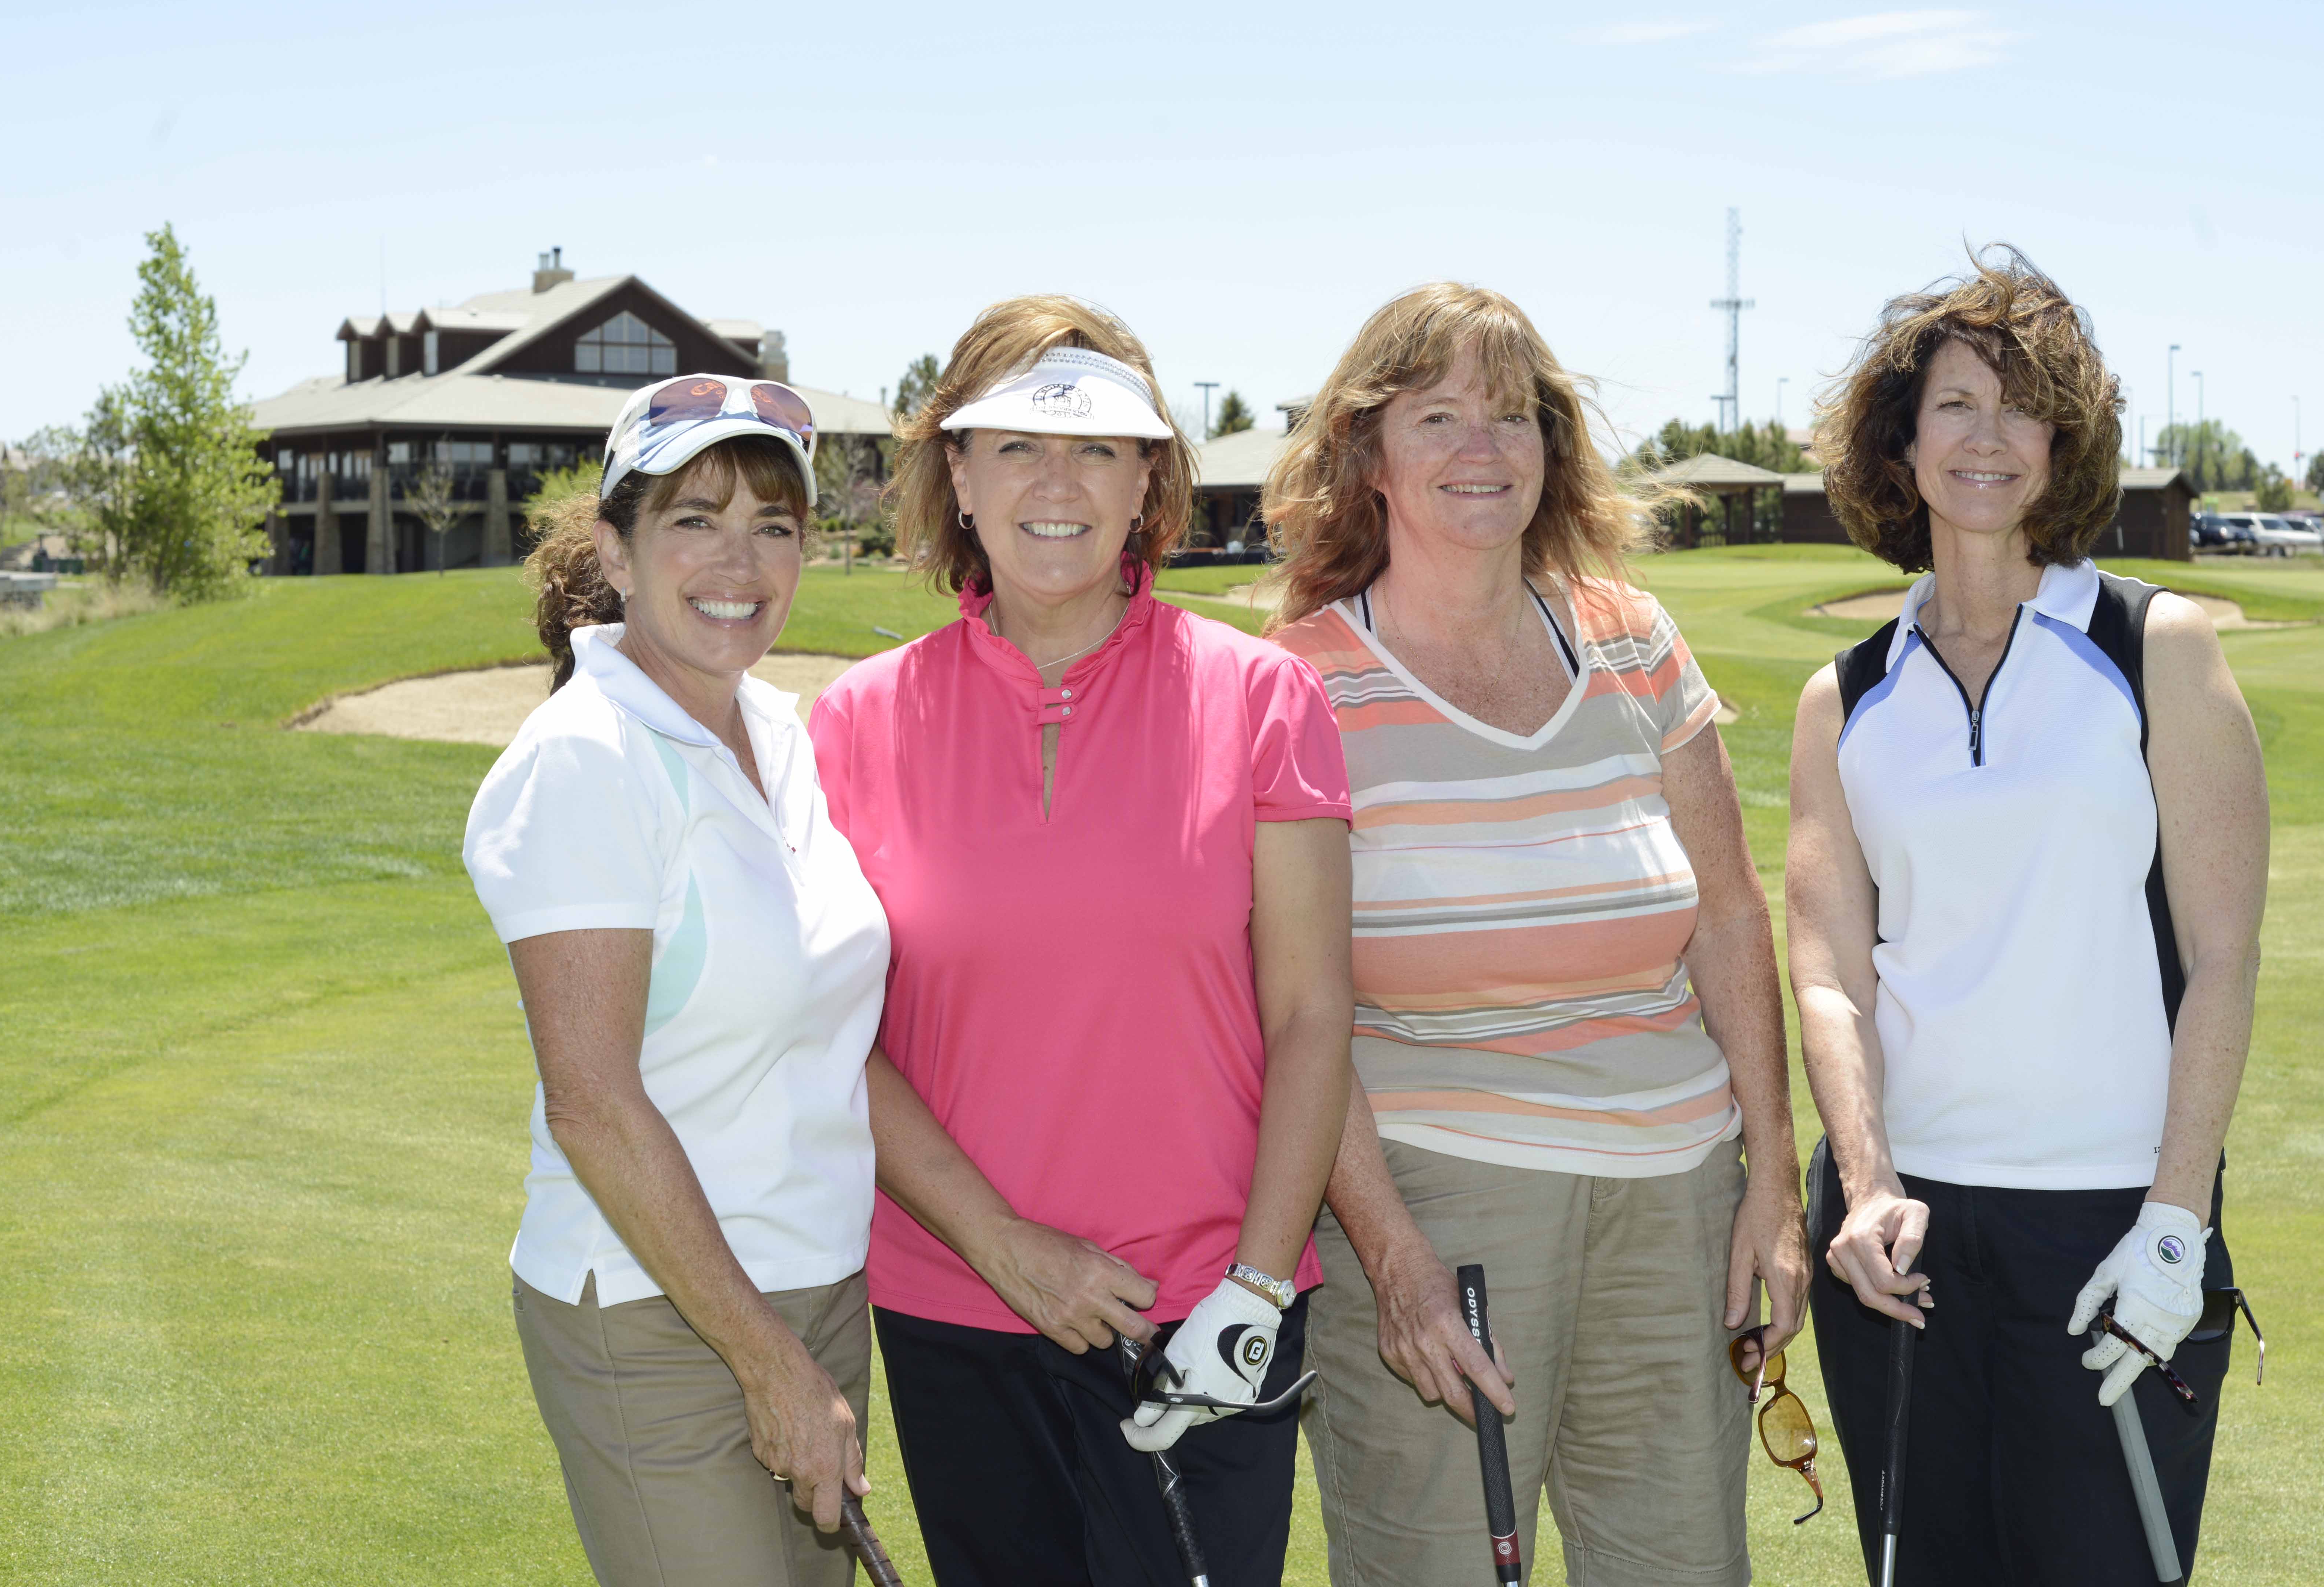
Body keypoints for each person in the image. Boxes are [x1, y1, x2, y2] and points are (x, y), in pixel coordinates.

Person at [1260, 282, 1813, 1587]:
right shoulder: (1298, 680)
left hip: (1676, 1193)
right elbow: (1302, 1008)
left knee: (1681, 1565)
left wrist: (1774, 1186)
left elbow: (1730, 914)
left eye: (1513, 417)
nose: (1481, 449)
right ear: (1368, 453)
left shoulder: (1631, 638)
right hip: (1436, 1198)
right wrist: (1391, 1257)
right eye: (1438, 415)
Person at [807, 298, 1354, 1587]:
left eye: (1099, 449)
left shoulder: (1264, 696)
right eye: (1016, 447)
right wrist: (1005, 1248)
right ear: (956, 471)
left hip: (1212, 1318)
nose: (1057, 485)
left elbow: (1313, 1018)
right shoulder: (849, 724)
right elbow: (833, 1040)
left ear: (1148, 476)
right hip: (954, 1308)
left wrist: (1260, 1294)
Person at [1783, 250, 2268, 1584]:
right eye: (1953, 404)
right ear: (1903, 439)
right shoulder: (1848, 695)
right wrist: (1867, 1179)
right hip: (1907, 1232)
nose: (1985, 436)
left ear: (2066, 440)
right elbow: (1826, 966)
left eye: (2021, 405)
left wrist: (2179, 1222)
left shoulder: (2151, 647)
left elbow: (2223, 960)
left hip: (2111, 1223)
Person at [463, 374, 890, 1586]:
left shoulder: (780, 732)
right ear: (618, 545)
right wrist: (768, 1364)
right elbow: (592, 1101)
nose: (738, 561)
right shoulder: (585, 761)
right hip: (657, 1315)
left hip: (814, 1286)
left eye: (775, 526)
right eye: (695, 519)